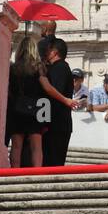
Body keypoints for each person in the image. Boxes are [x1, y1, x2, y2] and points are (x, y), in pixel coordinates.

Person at [5, 36, 72, 169]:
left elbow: (7, 90)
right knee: (36, 146)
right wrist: (66, 100)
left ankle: (15, 173)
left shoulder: (13, 68)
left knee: (16, 146)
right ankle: (37, 173)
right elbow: (47, 88)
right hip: (35, 110)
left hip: (17, 109)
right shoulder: (39, 67)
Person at [41, 37, 78, 167]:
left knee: (52, 162)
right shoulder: (60, 67)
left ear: (55, 52)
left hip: (56, 124)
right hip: (58, 123)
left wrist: (45, 122)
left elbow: (54, 95)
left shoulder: (59, 68)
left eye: (49, 50)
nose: (46, 52)